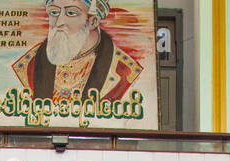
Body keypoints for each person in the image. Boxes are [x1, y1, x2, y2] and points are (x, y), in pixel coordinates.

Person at [11, 0, 142, 103]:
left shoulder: (124, 71)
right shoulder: (28, 65)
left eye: (71, 13)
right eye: (54, 12)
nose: (59, 22)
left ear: (93, 21)